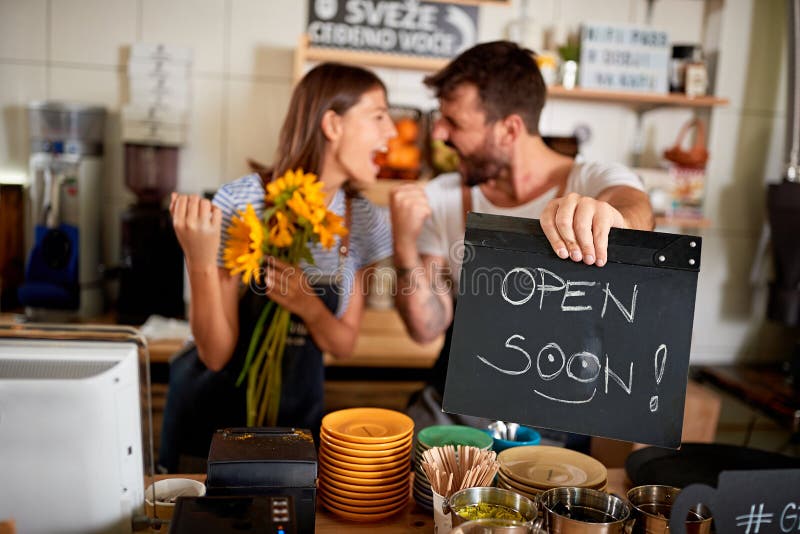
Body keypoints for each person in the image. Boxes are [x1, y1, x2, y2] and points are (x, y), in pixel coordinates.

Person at [389, 41, 654, 448]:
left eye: (453, 121)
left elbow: (636, 209)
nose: (438, 133)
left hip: (557, 414)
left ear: (510, 129)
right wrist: (404, 246)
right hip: (455, 409)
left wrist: (611, 220)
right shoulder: (444, 196)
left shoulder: (592, 179)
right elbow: (426, 329)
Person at [160, 62, 397, 472]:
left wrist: (308, 304)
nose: (391, 131)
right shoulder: (241, 202)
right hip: (209, 434)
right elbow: (215, 355)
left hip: (294, 434)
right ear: (332, 124)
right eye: (378, 116)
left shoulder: (363, 220)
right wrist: (198, 260)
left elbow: (342, 344)